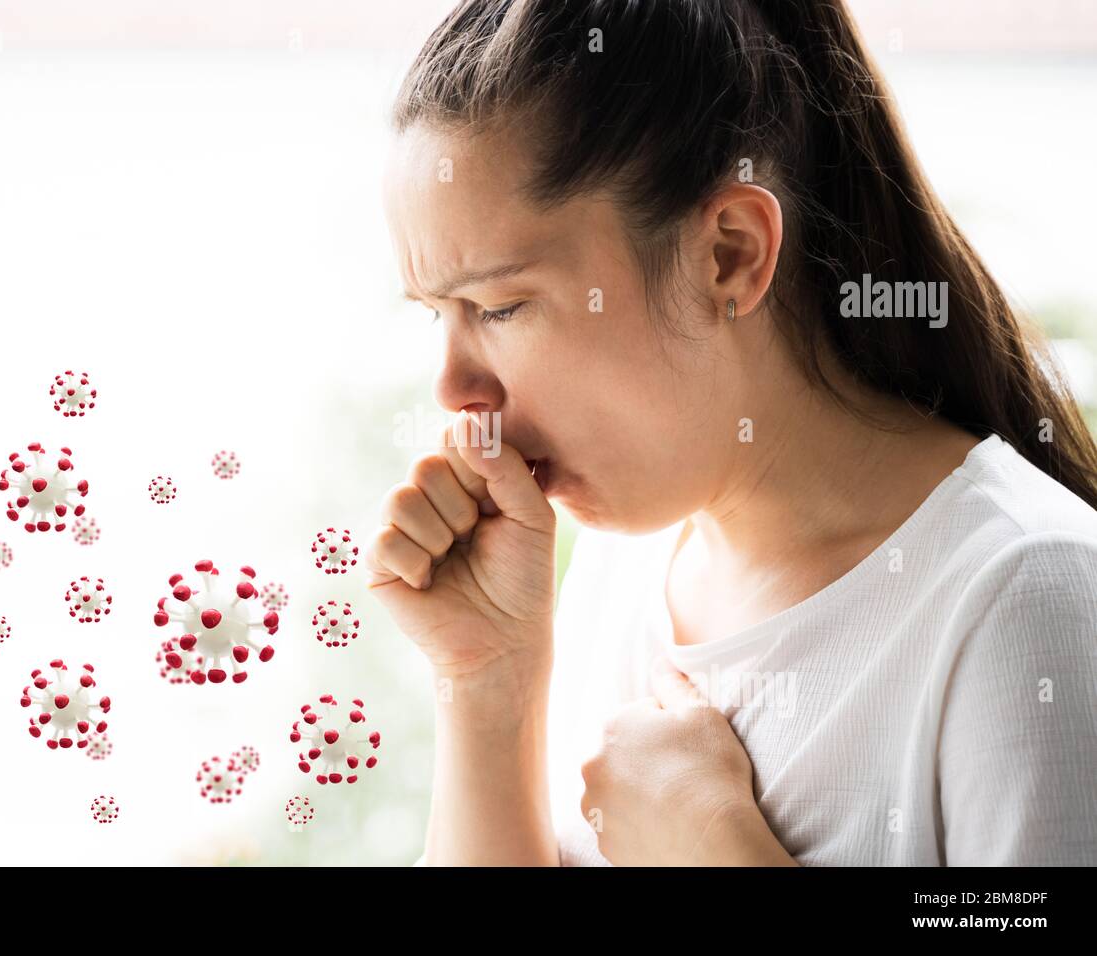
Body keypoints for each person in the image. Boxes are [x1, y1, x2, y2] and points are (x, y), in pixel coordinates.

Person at [368, 0, 1097, 866]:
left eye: (499, 306)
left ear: (731, 255)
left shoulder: (1027, 595)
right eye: (437, 316)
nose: (454, 389)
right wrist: (487, 687)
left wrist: (717, 848)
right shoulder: (628, 561)